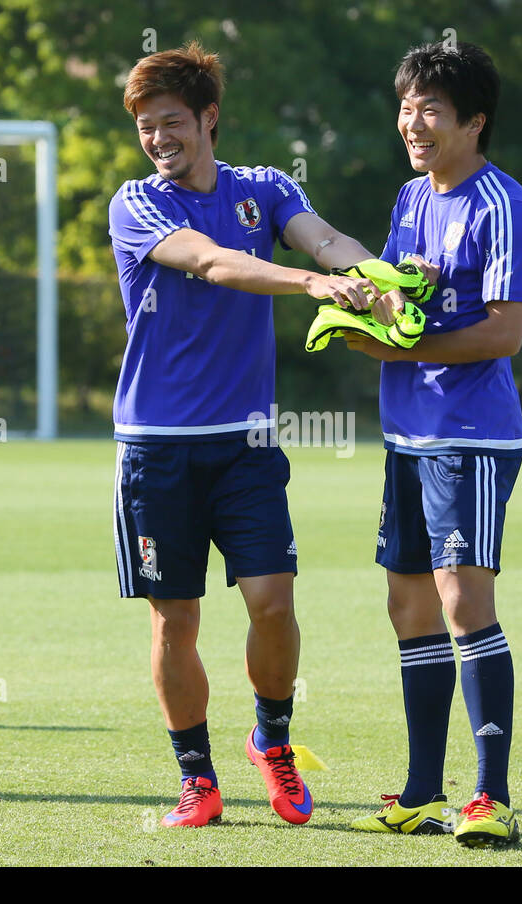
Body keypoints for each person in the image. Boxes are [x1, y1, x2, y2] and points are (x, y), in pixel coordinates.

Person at [108, 42, 385, 827]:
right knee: (177, 620)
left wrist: (384, 276)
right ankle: (196, 776)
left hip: (248, 445)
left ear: (209, 118)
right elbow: (215, 264)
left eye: (172, 123)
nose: (159, 139)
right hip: (156, 448)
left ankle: (273, 742)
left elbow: (326, 240)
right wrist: (313, 283)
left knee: (272, 602)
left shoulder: (264, 189)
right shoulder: (136, 203)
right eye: (146, 127)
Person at [342, 41, 522, 847]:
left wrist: (399, 348)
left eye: (430, 109)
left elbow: (506, 331)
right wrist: (357, 305)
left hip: (473, 438)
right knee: (409, 607)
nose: (412, 123)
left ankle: (490, 798)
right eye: (406, 107)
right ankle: (423, 791)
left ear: (474, 121)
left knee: (464, 603)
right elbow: (397, 295)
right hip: (408, 435)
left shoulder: (502, 205)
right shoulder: (410, 198)